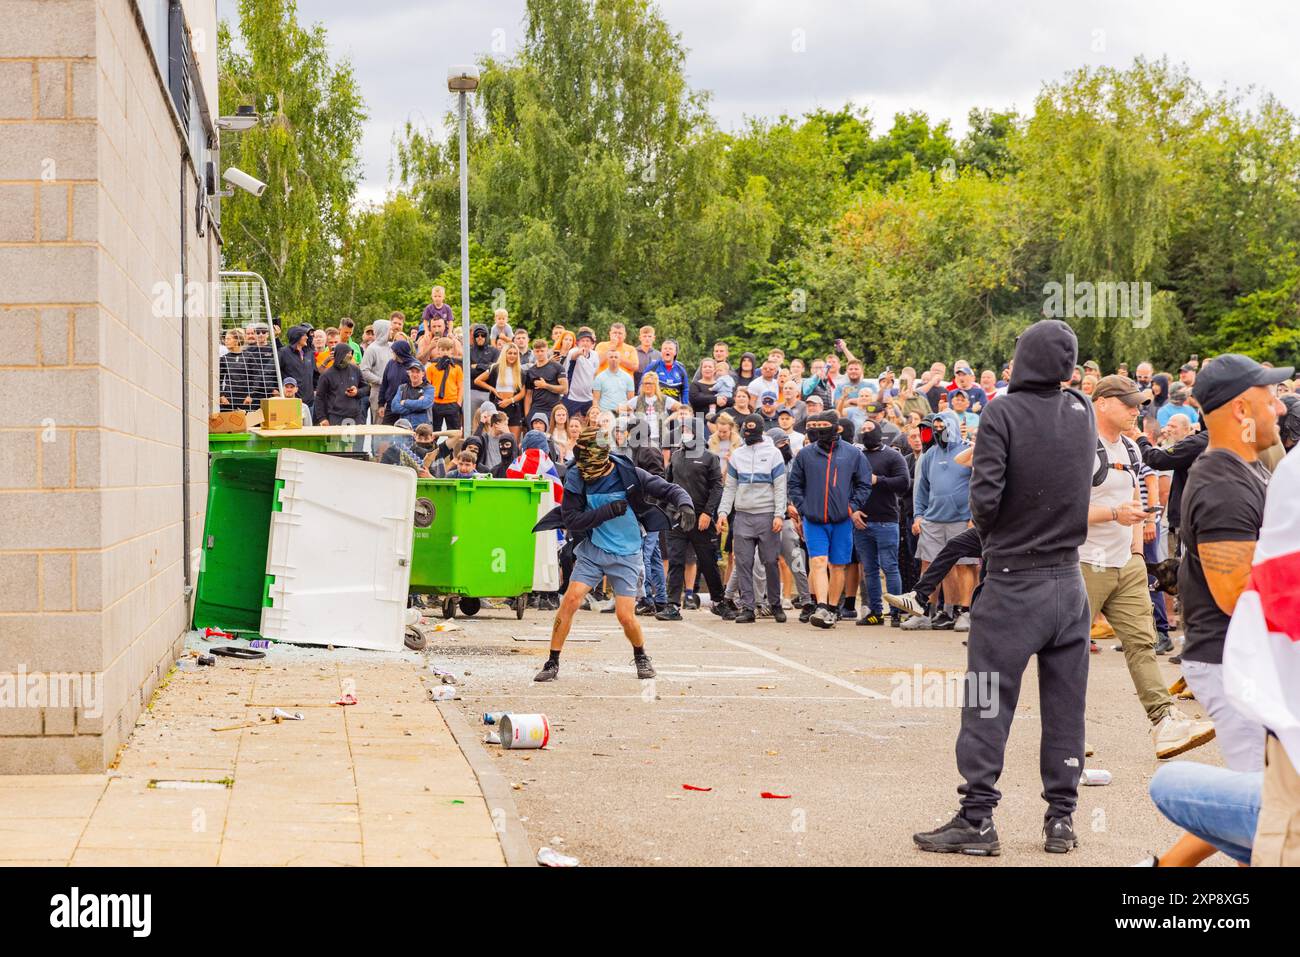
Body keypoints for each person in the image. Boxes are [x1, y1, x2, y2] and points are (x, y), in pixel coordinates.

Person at [913, 319, 1095, 858]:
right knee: (1067, 705)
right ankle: (1061, 819)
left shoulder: (1003, 411)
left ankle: (977, 818)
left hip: (1016, 577)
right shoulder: (1081, 410)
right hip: (1069, 577)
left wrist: (995, 539)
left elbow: (985, 497)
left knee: (986, 700)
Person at [1082, 375, 1216, 758]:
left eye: (1139, 403)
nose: (1136, 411)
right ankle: (1066, 731)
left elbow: (1137, 497)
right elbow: (1060, 511)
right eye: (1128, 403)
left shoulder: (1131, 448)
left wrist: (1138, 554)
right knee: (1069, 652)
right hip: (1084, 563)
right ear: (1103, 402)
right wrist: (1113, 514)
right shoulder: (1077, 449)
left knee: (1142, 643)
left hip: (1126, 563)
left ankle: (1166, 722)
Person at [532, 426, 695, 682]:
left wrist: (686, 506)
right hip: (594, 550)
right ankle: (552, 661)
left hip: (627, 553)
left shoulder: (627, 473)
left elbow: (668, 489)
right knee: (571, 599)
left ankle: (641, 656)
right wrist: (608, 511)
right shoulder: (576, 476)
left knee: (624, 615)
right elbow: (573, 519)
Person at [787, 409, 872, 628]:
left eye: (825, 426)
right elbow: (794, 484)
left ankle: (834, 608)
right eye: (816, 427)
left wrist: (852, 506)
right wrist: (804, 508)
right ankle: (822, 606)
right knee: (817, 562)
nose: (820, 431)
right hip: (814, 520)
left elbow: (864, 484)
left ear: (838, 428)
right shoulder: (805, 454)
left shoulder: (853, 454)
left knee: (838, 566)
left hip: (842, 520)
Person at [716, 414, 789, 624]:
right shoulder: (738, 455)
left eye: (751, 433)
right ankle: (748, 606)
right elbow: (730, 487)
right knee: (743, 562)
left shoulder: (774, 454)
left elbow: (780, 487)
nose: (748, 436)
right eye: (745, 433)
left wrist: (778, 514)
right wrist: (722, 513)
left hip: (767, 514)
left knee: (770, 562)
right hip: (743, 515)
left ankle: (775, 604)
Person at [910, 411, 976, 631]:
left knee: (964, 565)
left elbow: (979, 484)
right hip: (933, 519)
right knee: (928, 565)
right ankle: (924, 612)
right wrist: (919, 515)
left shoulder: (969, 450)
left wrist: (974, 516)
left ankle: (962, 612)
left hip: (961, 518)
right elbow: (922, 489)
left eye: (942, 427)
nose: (938, 432)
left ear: (953, 426)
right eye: (935, 428)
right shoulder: (930, 455)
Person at [658, 426, 726, 621]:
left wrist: (707, 512)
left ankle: (719, 601)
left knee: (708, 561)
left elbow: (717, 487)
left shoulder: (710, 457)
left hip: (701, 519)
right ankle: (672, 605)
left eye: (688, 430)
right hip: (677, 517)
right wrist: (659, 511)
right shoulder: (676, 456)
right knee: (676, 560)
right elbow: (667, 485)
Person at [854, 419, 909, 626]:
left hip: (886, 520)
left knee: (890, 567)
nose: (866, 432)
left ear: (878, 432)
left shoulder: (893, 456)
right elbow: (848, 486)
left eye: (869, 429)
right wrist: (853, 511)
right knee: (869, 569)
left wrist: (879, 480)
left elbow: (904, 483)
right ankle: (875, 612)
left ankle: (896, 611)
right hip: (861, 521)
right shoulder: (856, 457)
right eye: (863, 429)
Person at [475, 343, 526, 436]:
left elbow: (522, 393)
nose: (512, 356)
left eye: (515, 353)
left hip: (513, 407)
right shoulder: (495, 368)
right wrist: (492, 389)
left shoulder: (520, 371)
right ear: (504, 354)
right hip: (497, 406)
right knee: (496, 436)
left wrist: (510, 401)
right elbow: (478, 380)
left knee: (513, 439)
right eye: (510, 353)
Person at [314, 343, 364, 426]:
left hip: (355, 416)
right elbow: (319, 397)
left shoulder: (355, 370)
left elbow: (366, 388)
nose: (350, 356)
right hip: (336, 417)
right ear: (340, 354)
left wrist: (357, 392)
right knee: (338, 439)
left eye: (351, 353)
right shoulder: (327, 374)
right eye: (347, 353)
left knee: (357, 439)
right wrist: (322, 418)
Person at [523, 339, 568, 433]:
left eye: (542, 351)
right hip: (536, 410)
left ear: (547, 351)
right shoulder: (531, 371)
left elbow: (565, 389)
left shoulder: (557, 367)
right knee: (535, 439)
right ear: (533, 352)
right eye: (537, 351)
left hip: (553, 409)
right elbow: (528, 395)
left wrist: (545, 385)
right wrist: (527, 415)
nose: (540, 353)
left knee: (551, 439)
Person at [423, 336, 464, 433]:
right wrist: (430, 401)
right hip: (436, 404)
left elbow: (461, 386)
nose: (445, 352)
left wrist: (458, 403)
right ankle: (434, 448)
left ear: (452, 351)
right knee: (435, 431)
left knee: (454, 432)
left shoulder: (457, 368)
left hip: (452, 403)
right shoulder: (431, 367)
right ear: (438, 351)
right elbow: (427, 386)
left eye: (448, 349)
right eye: (443, 349)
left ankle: (453, 448)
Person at [279, 325, 317, 421]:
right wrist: (274, 389)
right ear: (297, 336)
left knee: (308, 432)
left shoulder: (309, 353)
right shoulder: (284, 352)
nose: (307, 337)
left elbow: (315, 374)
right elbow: (271, 372)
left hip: (309, 403)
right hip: (291, 402)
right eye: (304, 335)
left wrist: (316, 389)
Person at [360, 320, 393, 424]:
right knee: (379, 425)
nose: (392, 332)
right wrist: (380, 381)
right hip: (378, 392)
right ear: (383, 331)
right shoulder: (372, 349)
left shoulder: (392, 347)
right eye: (389, 330)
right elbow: (364, 371)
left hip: (392, 391)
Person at [563, 327, 600, 417]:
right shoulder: (573, 351)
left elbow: (595, 375)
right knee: (570, 424)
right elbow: (574, 357)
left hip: (588, 398)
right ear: (578, 343)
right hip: (572, 397)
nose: (585, 343)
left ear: (592, 343)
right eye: (582, 340)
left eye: (588, 341)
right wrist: (580, 352)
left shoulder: (595, 355)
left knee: (587, 425)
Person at [388, 363, 435, 428]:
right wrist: (418, 406)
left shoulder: (429, 388)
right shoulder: (402, 388)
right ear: (408, 373)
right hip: (404, 426)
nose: (414, 375)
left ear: (423, 374)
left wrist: (405, 402)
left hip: (422, 428)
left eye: (417, 372)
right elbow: (394, 407)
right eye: (412, 372)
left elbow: (424, 404)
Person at [468, 324, 500, 416]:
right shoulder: (469, 351)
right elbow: (468, 372)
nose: (480, 337)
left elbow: (494, 369)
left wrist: (478, 365)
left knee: (490, 421)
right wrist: (486, 367)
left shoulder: (494, 351)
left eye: (483, 335)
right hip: (472, 391)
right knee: (471, 421)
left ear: (487, 336)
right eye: (477, 335)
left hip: (489, 392)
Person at [592, 347, 635, 415]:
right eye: (611, 357)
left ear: (620, 360)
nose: (613, 359)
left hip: (622, 414)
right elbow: (596, 399)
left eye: (616, 357)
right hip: (604, 414)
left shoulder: (628, 378)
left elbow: (631, 400)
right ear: (607, 359)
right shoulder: (599, 377)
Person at [646, 339, 689, 405]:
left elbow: (685, 389)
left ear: (675, 352)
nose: (667, 350)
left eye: (670, 349)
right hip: (656, 407)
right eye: (665, 348)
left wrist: (685, 406)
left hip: (674, 408)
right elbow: (642, 384)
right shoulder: (653, 366)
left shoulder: (681, 368)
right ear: (661, 351)